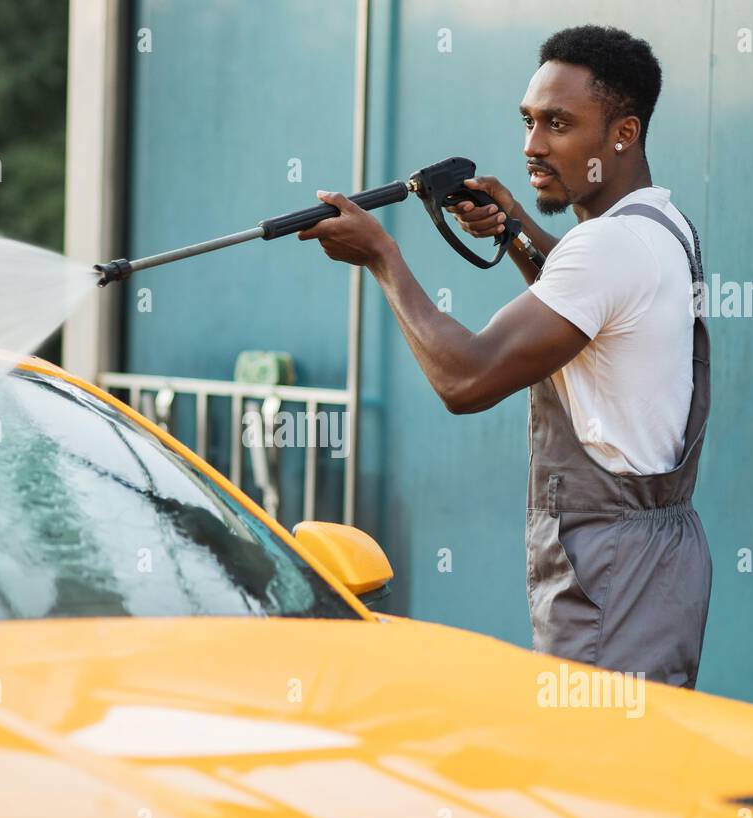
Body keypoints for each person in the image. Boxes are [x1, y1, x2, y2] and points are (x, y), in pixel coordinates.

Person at [298, 24, 712, 688]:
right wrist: (516, 230)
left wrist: (382, 257)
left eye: (557, 124)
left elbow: (465, 378)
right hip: (660, 569)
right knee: (638, 768)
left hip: (609, 578)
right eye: (527, 121)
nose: (532, 146)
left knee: (592, 774)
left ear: (623, 135)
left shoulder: (603, 250)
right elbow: (588, 304)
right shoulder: (664, 228)